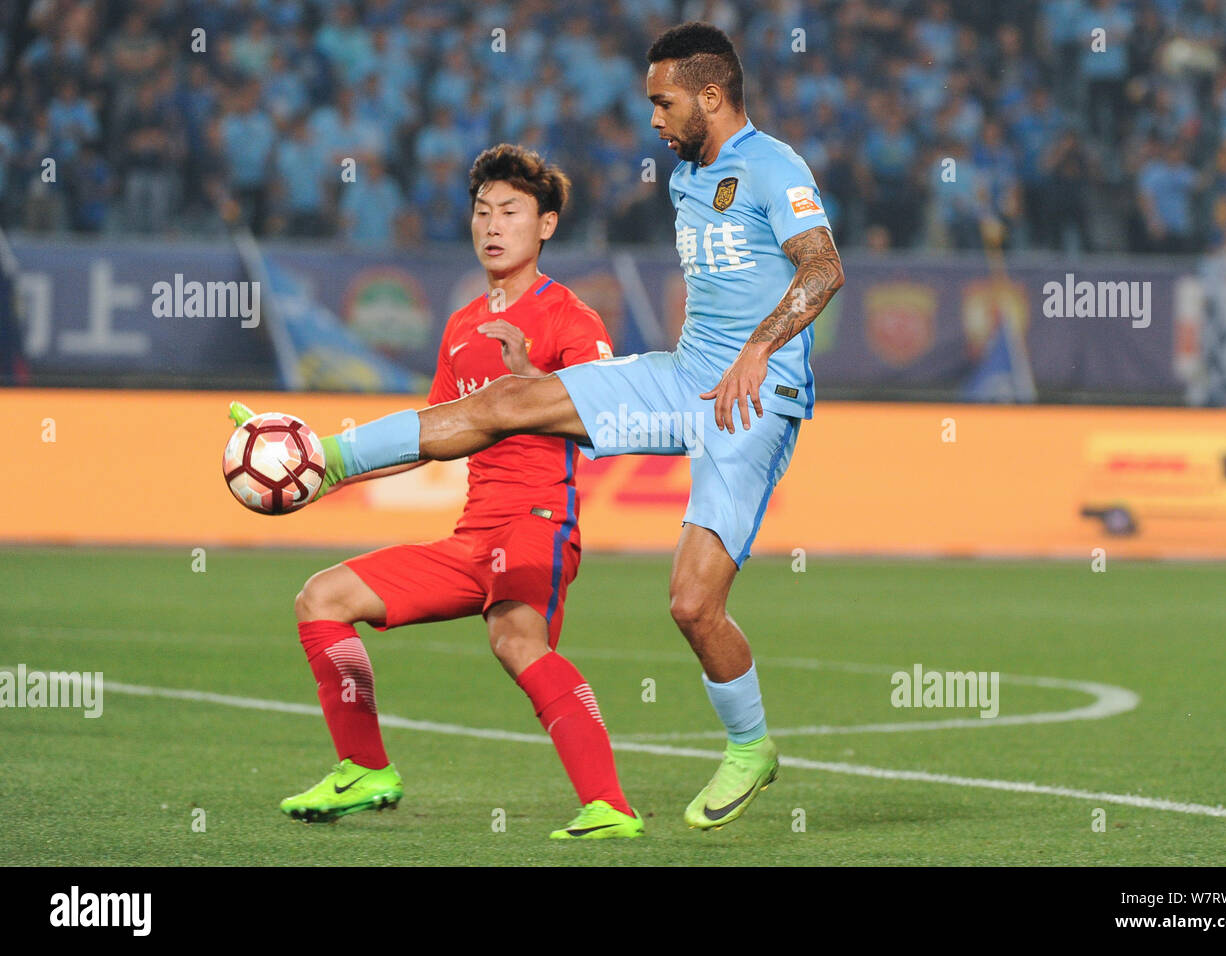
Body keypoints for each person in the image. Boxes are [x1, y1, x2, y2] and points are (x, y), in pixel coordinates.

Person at [238, 21, 844, 831]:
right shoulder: (687, 179)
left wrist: (759, 353)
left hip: (754, 398)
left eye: (663, 104)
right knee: (504, 402)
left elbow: (825, 266)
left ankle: (750, 747)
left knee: (693, 605)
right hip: (686, 377)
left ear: (710, 95)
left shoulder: (774, 165)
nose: (654, 121)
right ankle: (327, 458)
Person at [234, 143, 640, 840]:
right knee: (321, 598)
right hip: (471, 537)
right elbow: (431, 436)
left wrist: (530, 385)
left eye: (511, 211)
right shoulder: (459, 330)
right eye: (482, 210)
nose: (492, 224)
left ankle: (610, 806)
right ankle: (364, 768)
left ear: (545, 226)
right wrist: (320, 476)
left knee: (516, 639)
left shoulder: (570, 319)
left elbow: (609, 417)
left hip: (538, 521)